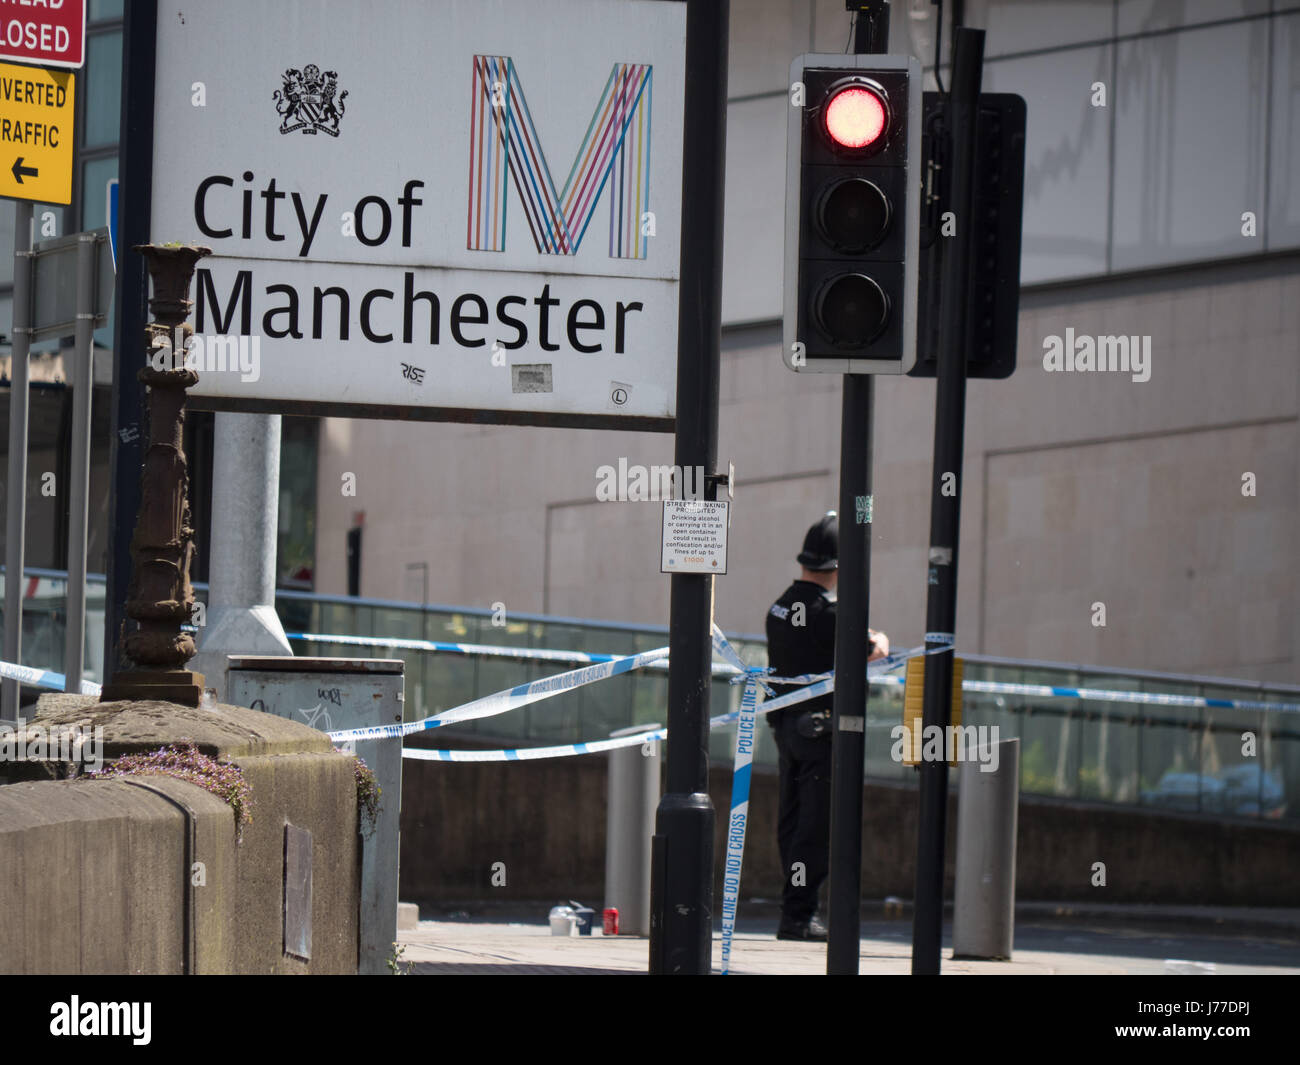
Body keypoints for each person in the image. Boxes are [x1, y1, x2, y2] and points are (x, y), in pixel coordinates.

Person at [764, 511, 889, 941]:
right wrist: (879, 639)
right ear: (837, 569)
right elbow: (871, 647)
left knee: (793, 820)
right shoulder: (826, 615)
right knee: (815, 827)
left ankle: (793, 909)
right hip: (818, 733)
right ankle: (799, 916)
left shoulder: (780, 607)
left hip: (785, 728)